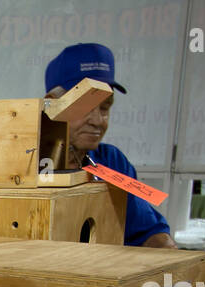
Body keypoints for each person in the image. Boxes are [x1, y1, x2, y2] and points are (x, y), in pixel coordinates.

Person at [43, 43, 176, 248]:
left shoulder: (112, 162)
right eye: (85, 107)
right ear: (51, 104)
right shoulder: (25, 163)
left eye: (105, 107)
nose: (98, 121)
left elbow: (150, 234)